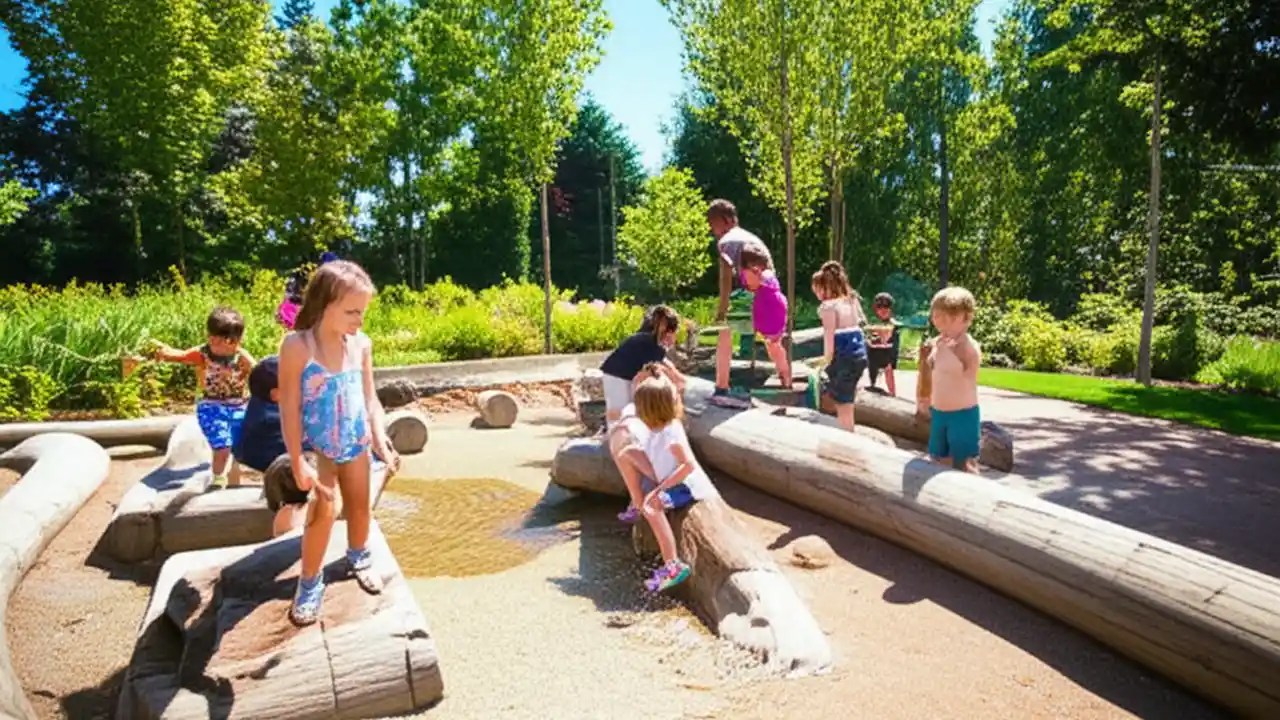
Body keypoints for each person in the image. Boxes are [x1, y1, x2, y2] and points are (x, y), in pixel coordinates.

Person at [278, 259, 400, 626]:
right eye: (351, 311)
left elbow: (370, 398)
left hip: (356, 442)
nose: (359, 319)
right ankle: (310, 581)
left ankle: (359, 555)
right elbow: (289, 407)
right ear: (324, 304)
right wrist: (298, 459)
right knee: (322, 513)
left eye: (362, 311)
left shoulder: (361, 345)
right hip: (320, 450)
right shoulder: (299, 346)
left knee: (361, 507)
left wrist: (380, 439)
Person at [152, 307, 255, 489]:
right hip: (212, 405)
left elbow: (260, 372)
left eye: (221, 341)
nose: (213, 343)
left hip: (239, 405)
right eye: (211, 337)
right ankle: (217, 480)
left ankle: (233, 482)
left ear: (235, 341)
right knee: (222, 445)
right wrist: (162, 353)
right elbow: (180, 356)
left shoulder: (242, 357)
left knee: (239, 447)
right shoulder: (203, 354)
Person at [634, 372, 718, 592]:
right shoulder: (658, 429)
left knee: (652, 507)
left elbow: (687, 466)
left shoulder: (671, 432)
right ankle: (667, 563)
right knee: (649, 502)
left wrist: (660, 490)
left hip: (687, 486)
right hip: (675, 483)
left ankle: (673, 565)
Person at [707, 199, 775, 404]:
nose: (712, 230)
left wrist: (722, 309)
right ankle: (784, 376)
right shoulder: (750, 237)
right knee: (772, 337)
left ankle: (721, 386)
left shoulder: (726, 241)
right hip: (770, 291)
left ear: (726, 220)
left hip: (750, 292)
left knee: (723, 332)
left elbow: (726, 276)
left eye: (713, 224)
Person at [922, 286, 982, 473]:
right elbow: (932, 369)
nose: (939, 321)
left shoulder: (967, 345)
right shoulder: (939, 342)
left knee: (964, 463)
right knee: (939, 458)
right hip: (940, 412)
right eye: (937, 315)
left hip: (962, 414)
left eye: (948, 317)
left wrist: (956, 350)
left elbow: (971, 369)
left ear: (965, 319)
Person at [598, 306, 686, 430]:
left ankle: (618, 434)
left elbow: (663, 363)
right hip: (618, 375)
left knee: (623, 410)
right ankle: (616, 438)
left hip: (616, 372)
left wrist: (677, 376)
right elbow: (652, 371)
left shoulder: (648, 339)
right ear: (670, 331)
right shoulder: (653, 344)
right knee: (621, 411)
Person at [810, 261, 867, 431]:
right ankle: (848, 430)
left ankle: (847, 436)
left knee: (843, 405)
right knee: (846, 400)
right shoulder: (851, 300)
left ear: (824, 288)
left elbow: (829, 336)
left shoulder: (828, 307)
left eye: (817, 290)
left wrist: (825, 360)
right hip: (859, 354)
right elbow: (861, 325)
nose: (816, 294)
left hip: (844, 356)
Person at [737, 246, 791, 389]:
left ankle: (785, 374)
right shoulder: (755, 274)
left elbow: (753, 285)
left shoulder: (763, 274)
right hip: (766, 308)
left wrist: (751, 276)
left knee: (774, 344)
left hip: (772, 309)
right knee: (772, 345)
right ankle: (783, 372)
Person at [866, 292, 902, 396]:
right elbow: (870, 336)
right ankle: (872, 385)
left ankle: (892, 392)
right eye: (879, 307)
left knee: (888, 367)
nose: (883, 310)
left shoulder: (893, 324)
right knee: (871, 361)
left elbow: (892, 340)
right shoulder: (874, 323)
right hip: (875, 351)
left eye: (886, 307)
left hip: (888, 351)